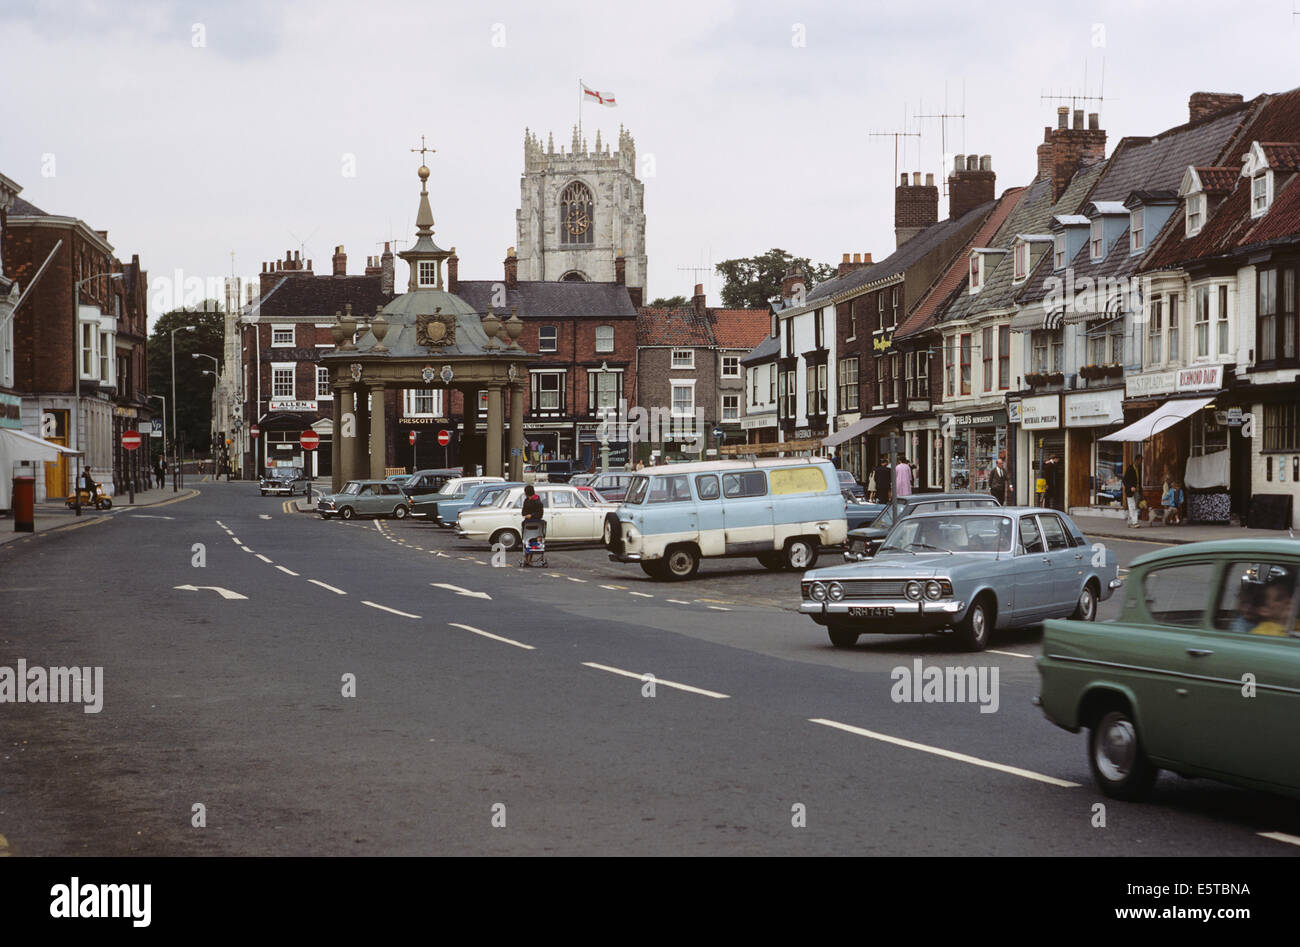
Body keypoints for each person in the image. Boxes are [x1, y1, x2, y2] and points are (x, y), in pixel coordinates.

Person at [521, 484, 545, 566]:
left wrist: (530, 515)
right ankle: (528, 559)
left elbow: (539, 514)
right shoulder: (528, 500)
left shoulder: (536, 501)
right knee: (529, 541)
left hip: (533, 523)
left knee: (530, 542)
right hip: (530, 523)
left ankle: (528, 559)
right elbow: (523, 512)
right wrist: (527, 514)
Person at [1124, 454, 1142, 528]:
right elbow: (1124, 480)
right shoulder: (1130, 468)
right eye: (1140, 461)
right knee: (1132, 506)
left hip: (1137, 490)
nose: (1141, 462)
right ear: (1136, 460)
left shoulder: (1138, 468)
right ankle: (1135, 523)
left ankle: (1129, 522)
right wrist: (1130, 487)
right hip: (1130, 491)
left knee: (1134, 506)